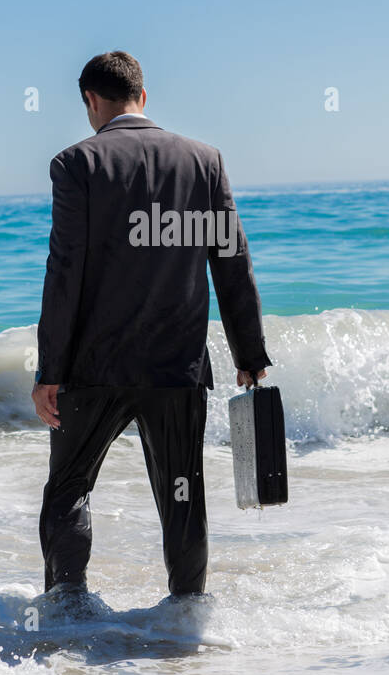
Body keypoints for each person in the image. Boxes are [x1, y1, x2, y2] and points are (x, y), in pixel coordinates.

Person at [32, 51, 270, 598]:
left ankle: (69, 615)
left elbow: (65, 270)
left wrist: (50, 370)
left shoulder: (76, 164)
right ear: (144, 95)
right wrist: (249, 356)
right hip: (177, 365)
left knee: (68, 489)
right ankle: (186, 620)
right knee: (183, 496)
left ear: (91, 101)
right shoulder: (202, 160)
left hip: (93, 367)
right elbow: (231, 261)